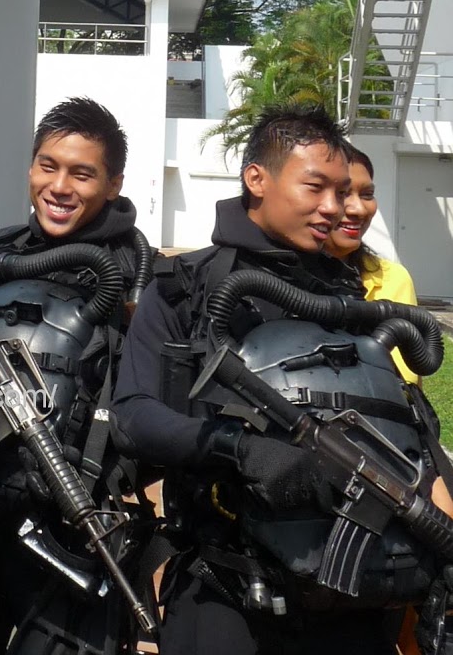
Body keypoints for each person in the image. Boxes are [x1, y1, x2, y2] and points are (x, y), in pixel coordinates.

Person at [112, 101, 447, 655]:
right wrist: (241, 450)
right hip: (228, 587)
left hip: (352, 594)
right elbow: (133, 416)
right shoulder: (185, 289)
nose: (334, 207)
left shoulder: (350, 297)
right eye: (315, 187)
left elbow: (404, 427)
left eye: (342, 191)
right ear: (256, 179)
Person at [0, 96, 153, 655]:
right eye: (47, 166)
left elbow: (157, 411)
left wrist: (95, 464)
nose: (59, 187)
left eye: (82, 174)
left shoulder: (143, 283)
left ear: (113, 184)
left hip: (71, 532)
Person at [328, 145, 420, 383]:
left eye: (367, 194)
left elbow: (408, 381)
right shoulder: (266, 277)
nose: (358, 209)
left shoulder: (393, 278)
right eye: (342, 193)